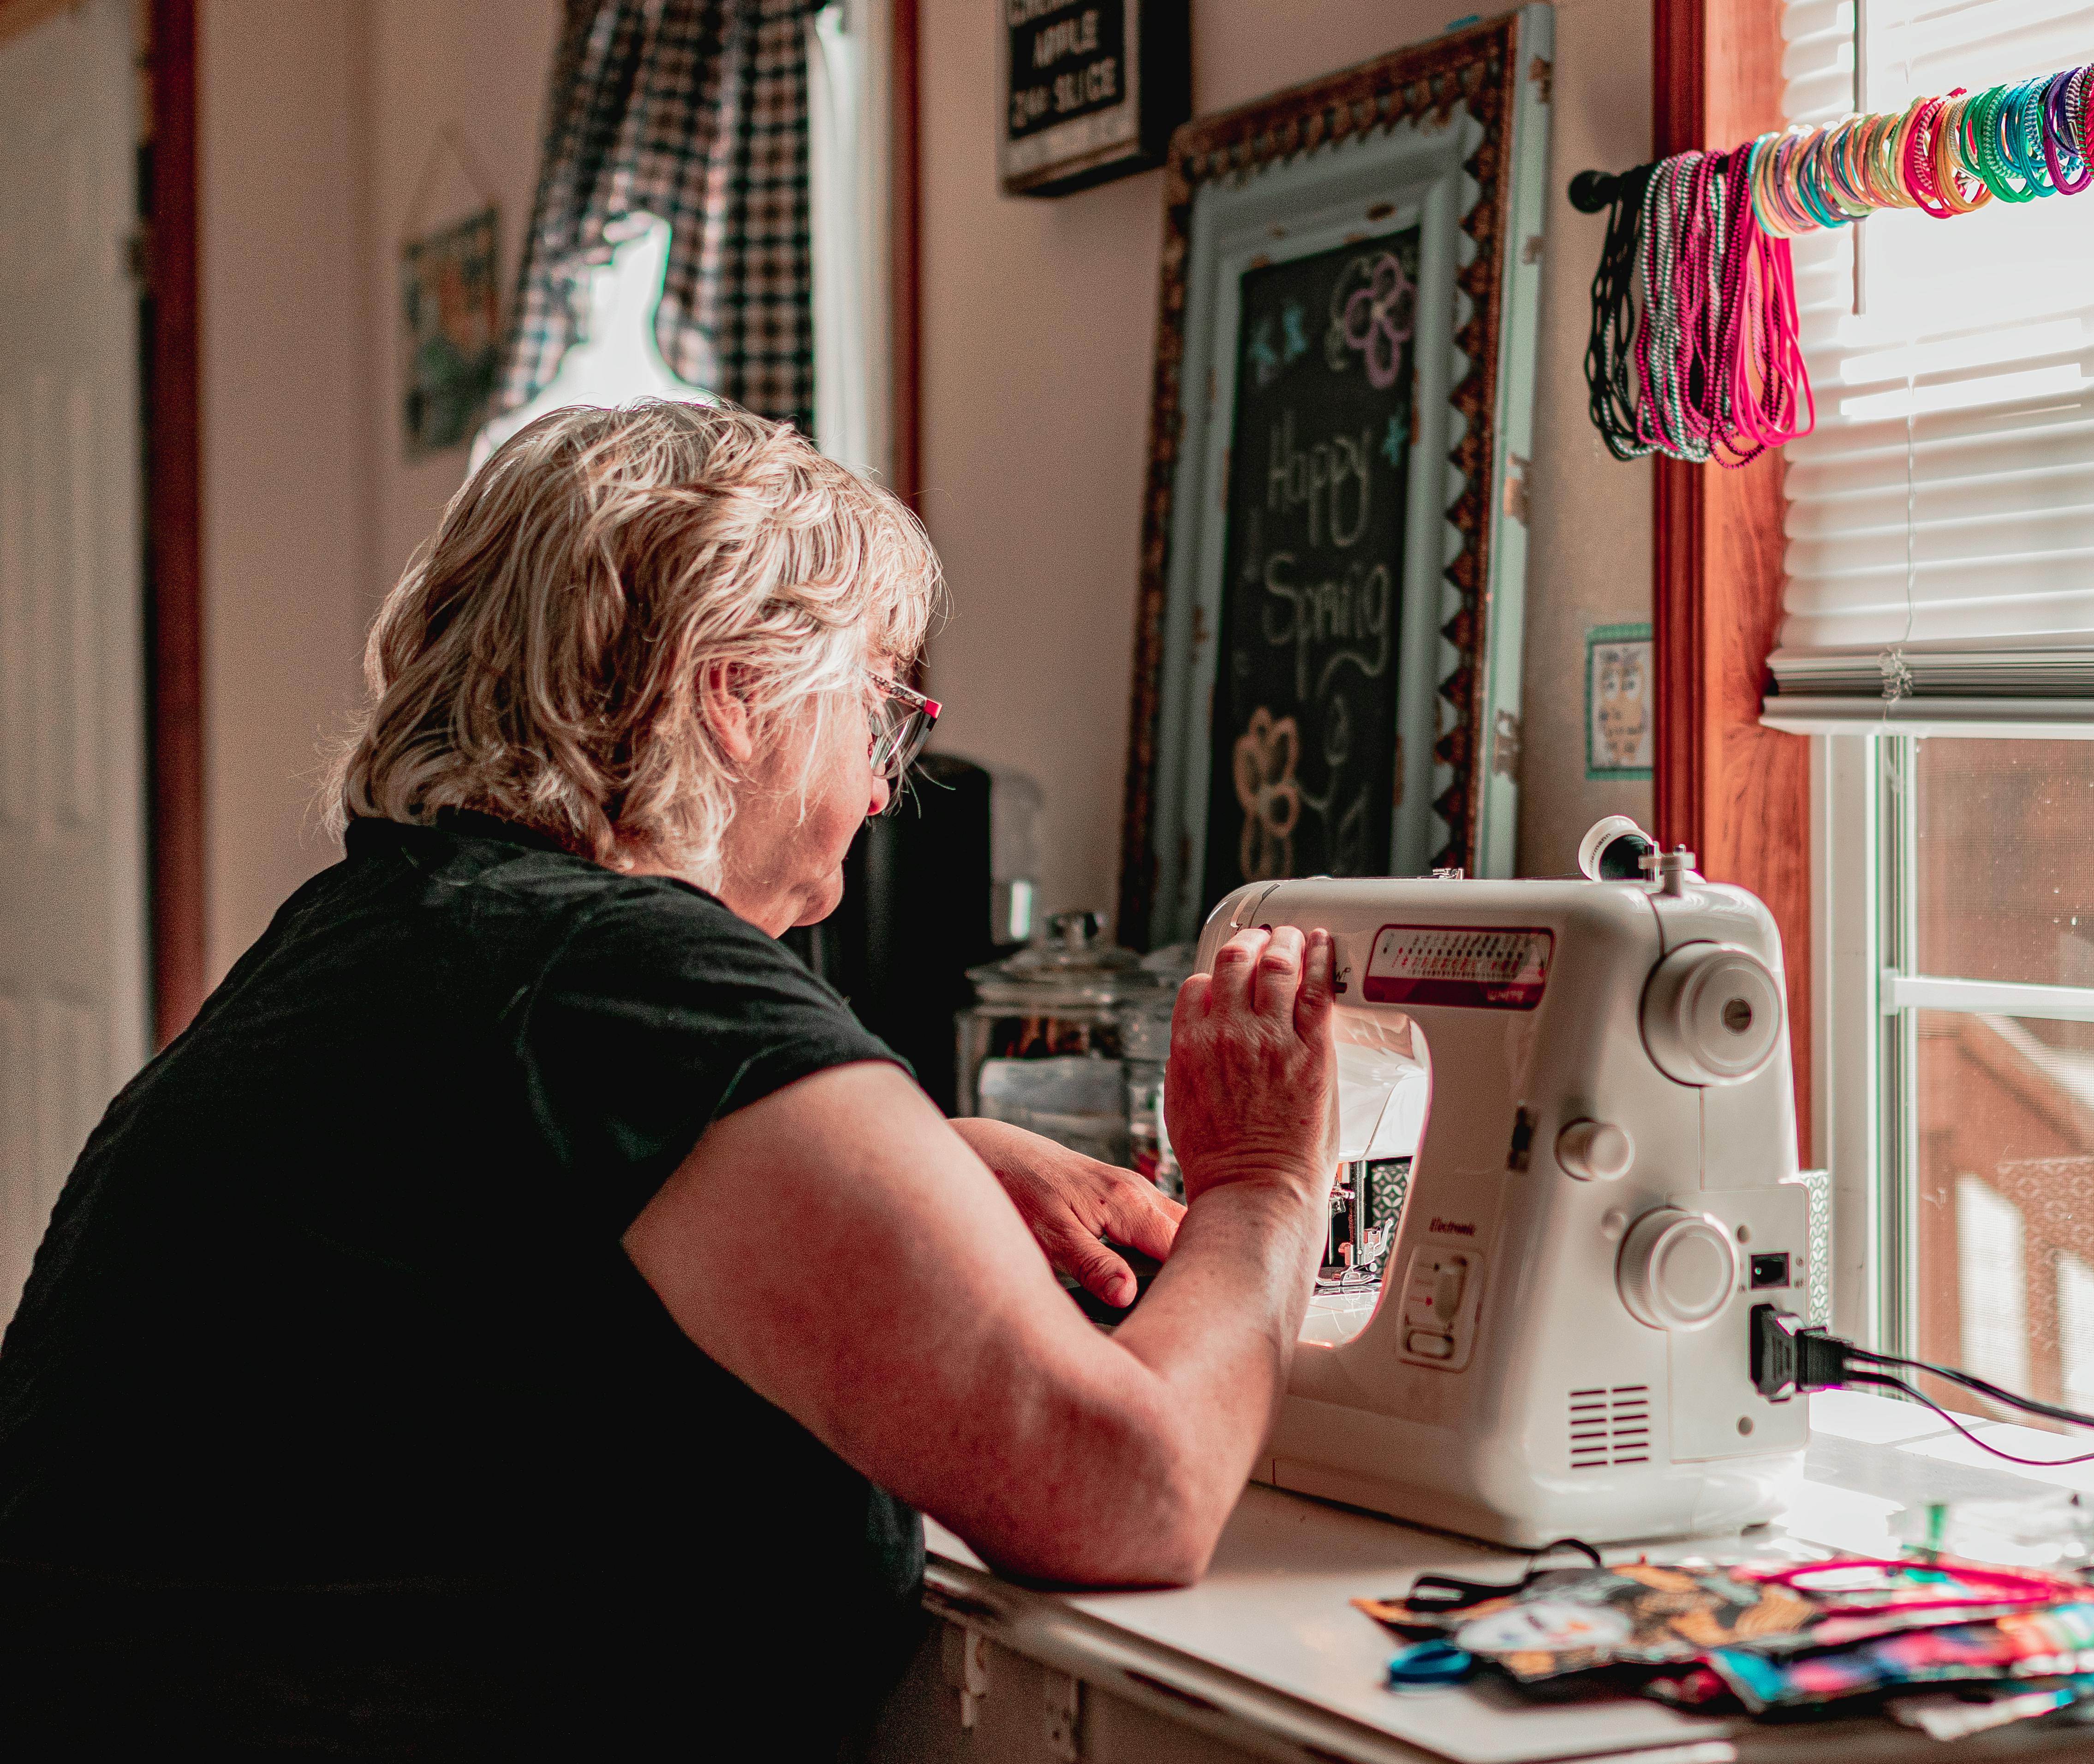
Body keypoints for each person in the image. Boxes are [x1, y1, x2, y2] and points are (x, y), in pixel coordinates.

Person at [0, 402, 1339, 1759]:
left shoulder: (387, 934)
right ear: (736, 690)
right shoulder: (632, 974)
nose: (883, 796)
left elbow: (510, 1254)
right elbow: (1134, 1491)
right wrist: (1263, 1179)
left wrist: (918, 1160)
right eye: (879, 712)